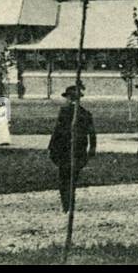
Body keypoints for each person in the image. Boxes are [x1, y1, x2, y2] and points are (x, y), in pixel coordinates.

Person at [49, 85, 97, 213]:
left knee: (64, 178)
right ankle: (70, 202)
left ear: (69, 98)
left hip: (65, 151)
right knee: (72, 178)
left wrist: (52, 148)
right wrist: (92, 148)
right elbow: (92, 134)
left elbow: (57, 132)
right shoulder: (85, 113)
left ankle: (67, 204)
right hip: (78, 151)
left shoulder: (65, 112)